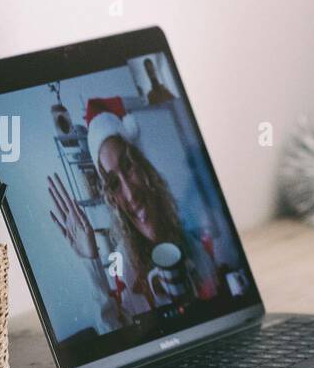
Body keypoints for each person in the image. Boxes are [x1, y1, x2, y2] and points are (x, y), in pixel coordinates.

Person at [49, 99, 218, 330]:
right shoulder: (121, 272)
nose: (130, 194)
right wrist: (91, 262)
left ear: (145, 167)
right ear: (111, 199)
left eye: (128, 166)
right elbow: (112, 337)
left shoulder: (196, 249)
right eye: (114, 183)